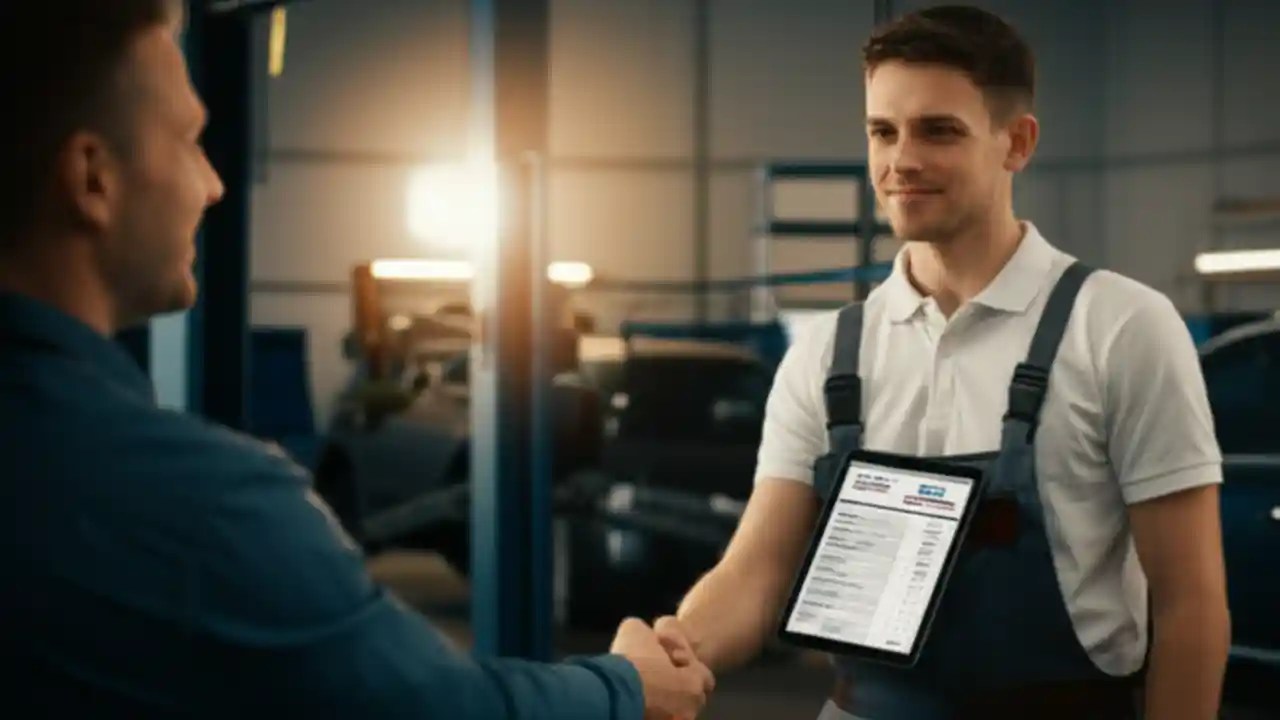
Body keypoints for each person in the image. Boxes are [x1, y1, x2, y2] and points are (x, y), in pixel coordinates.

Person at [0, 2, 714, 718]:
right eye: (188, 141)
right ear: (93, 178)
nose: (211, 184)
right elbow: (441, 708)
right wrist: (628, 689)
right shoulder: (195, 509)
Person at [652, 6, 1230, 720]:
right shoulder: (828, 356)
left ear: (1016, 142)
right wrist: (675, 648)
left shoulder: (1121, 329)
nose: (901, 161)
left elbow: (1190, 603)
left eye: (938, 130)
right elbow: (757, 571)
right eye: (882, 131)